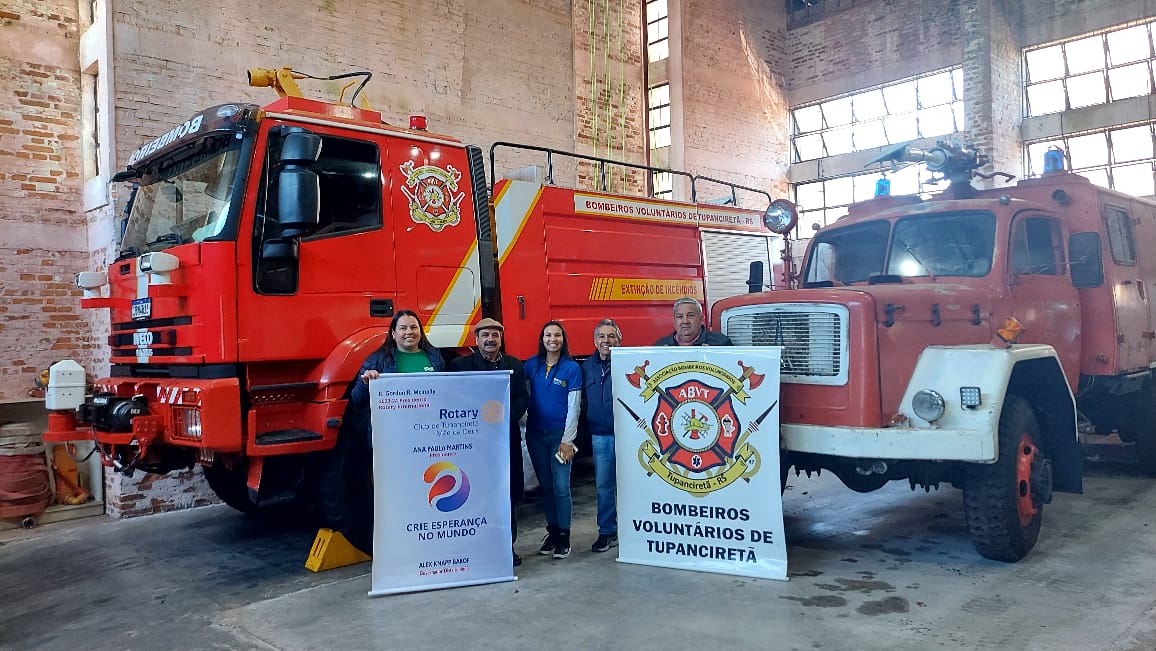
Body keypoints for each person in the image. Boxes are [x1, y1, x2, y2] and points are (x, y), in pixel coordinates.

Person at [449, 318, 529, 567]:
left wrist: (502, 420)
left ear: (501, 338)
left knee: (506, 494)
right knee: (477, 493)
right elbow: (451, 397)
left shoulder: (514, 365)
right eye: (485, 335)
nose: (490, 339)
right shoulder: (460, 366)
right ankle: (479, 547)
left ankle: (508, 547)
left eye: (495, 334)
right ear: (476, 339)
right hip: (474, 445)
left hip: (506, 441)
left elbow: (522, 399)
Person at [522, 320, 582, 559]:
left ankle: (564, 536)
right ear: (542, 339)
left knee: (560, 488)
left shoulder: (571, 369)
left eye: (557, 335)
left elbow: (574, 406)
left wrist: (568, 440)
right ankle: (553, 532)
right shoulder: (531, 365)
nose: (552, 339)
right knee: (546, 487)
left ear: (563, 339)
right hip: (536, 434)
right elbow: (516, 389)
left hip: (560, 437)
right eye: (548, 335)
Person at [350, 310, 445, 445]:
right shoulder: (378, 359)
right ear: (394, 334)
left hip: (428, 429)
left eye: (414, 327)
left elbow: (445, 393)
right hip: (393, 434)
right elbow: (357, 400)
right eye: (403, 328)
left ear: (420, 332)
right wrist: (365, 383)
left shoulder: (436, 357)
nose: (409, 332)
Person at [582, 319, 621, 553]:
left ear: (619, 340)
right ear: (595, 341)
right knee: (604, 487)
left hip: (629, 437)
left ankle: (638, 531)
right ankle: (607, 531)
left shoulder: (629, 364)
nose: (607, 341)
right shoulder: (586, 367)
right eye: (602, 337)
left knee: (634, 486)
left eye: (611, 336)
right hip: (601, 436)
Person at [654, 296, 733, 346]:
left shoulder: (720, 343)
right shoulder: (661, 346)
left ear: (701, 319)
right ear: (674, 320)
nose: (685, 321)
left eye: (690, 316)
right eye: (680, 316)